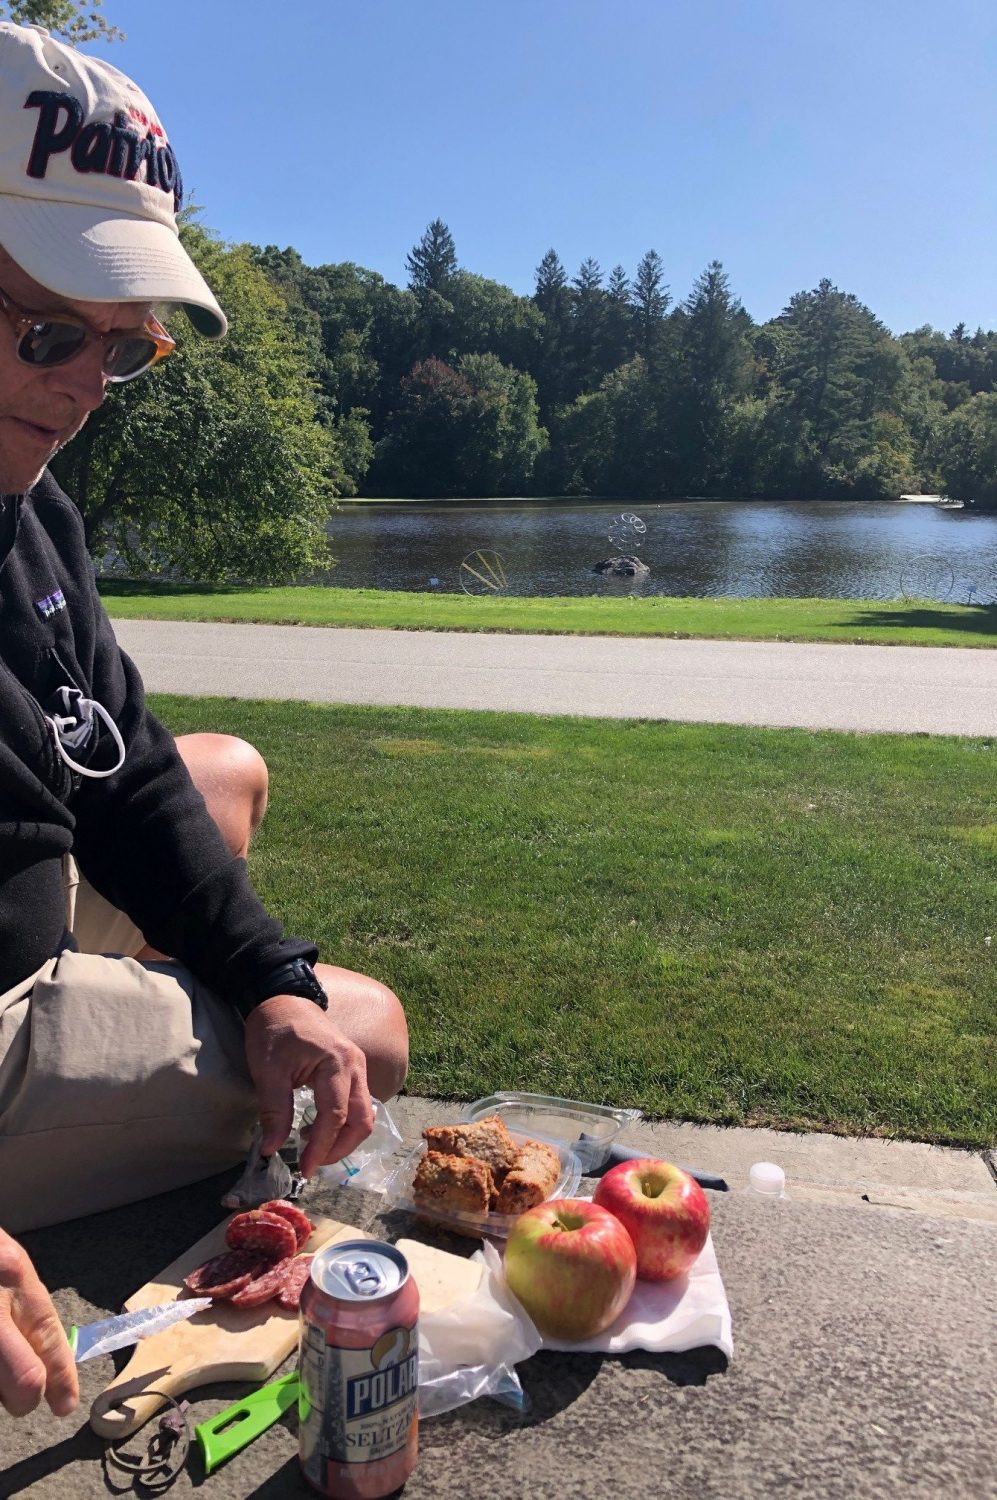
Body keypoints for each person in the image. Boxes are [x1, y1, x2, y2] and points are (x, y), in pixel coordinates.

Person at [0, 22, 408, 1420]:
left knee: (223, 783)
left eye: (123, 353)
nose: (81, 389)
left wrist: (265, 979)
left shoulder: (28, 498)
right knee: (377, 1029)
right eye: (50, 330)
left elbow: (116, 764)